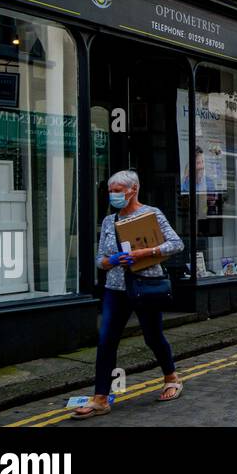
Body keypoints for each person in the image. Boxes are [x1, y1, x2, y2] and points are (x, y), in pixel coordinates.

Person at [73, 170, 185, 419]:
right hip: (115, 289)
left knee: (153, 337)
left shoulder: (152, 214)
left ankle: (171, 378)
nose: (113, 195)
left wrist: (143, 253)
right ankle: (100, 399)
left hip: (146, 284)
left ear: (133, 190)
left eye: (117, 191)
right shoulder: (108, 221)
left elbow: (176, 244)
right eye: (110, 190)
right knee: (106, 341)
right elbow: (99, 260)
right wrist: (110, 261)